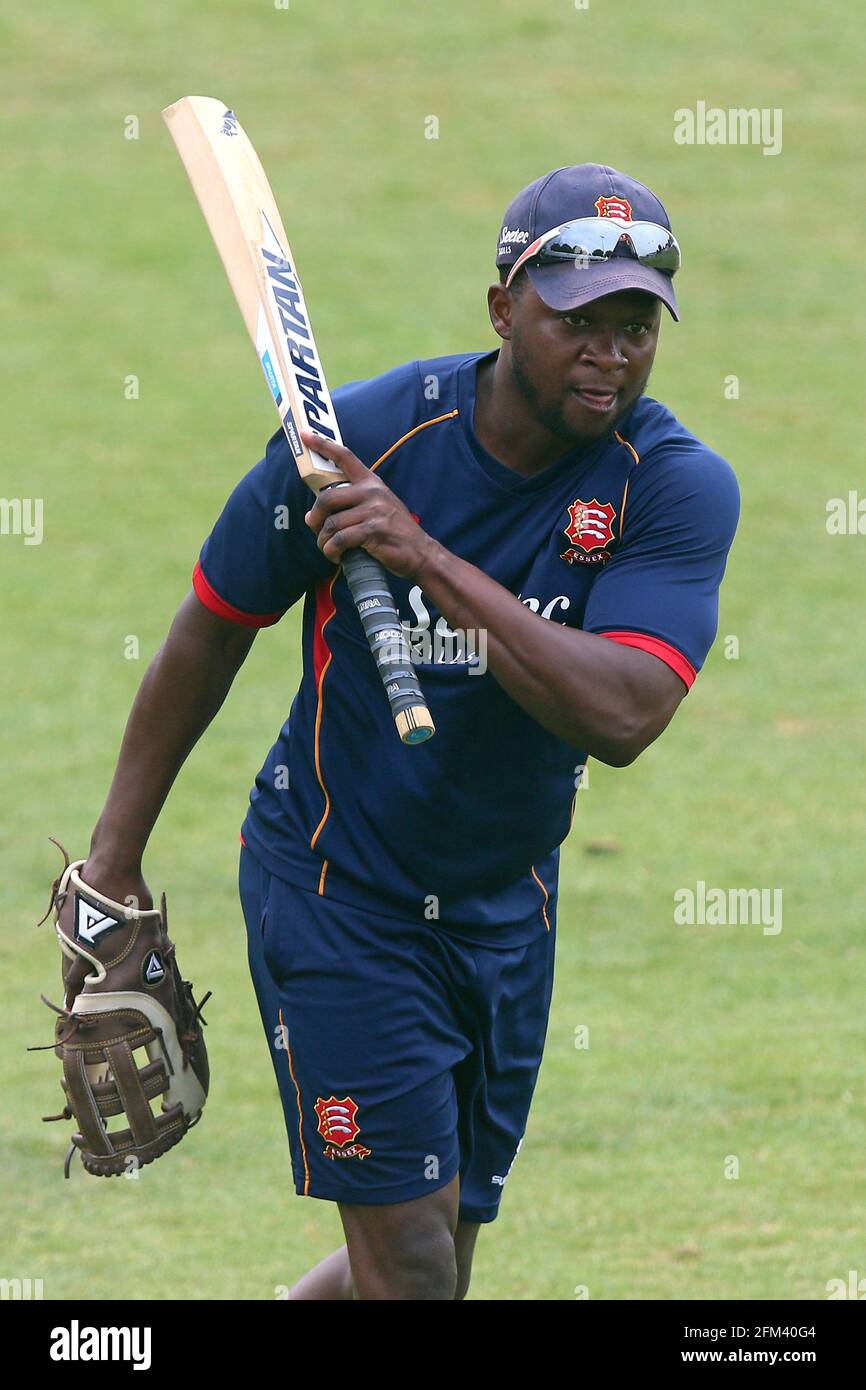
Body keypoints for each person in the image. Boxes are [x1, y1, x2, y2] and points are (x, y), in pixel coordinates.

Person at [78, 164, 739, 1299]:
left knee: (436, 1256)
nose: (609, 354)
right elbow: (211, 629)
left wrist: (423, 558)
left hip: (504, 909)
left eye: (635, 325)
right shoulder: (365, 438)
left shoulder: (670, 487)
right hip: (335, 890)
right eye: (576, 320)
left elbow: (624, 712)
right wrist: (113, 864)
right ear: (502, 310)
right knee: (415, 1267)